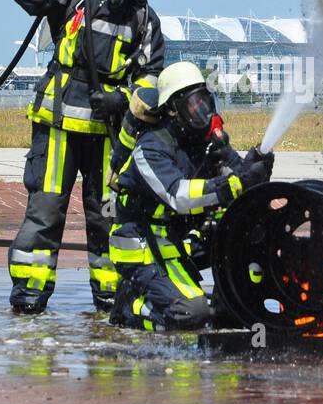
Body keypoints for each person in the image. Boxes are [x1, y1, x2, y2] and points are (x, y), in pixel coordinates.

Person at [7, 0, 165, 313]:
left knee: (106, 219)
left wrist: (120, 98)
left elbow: (151, 82)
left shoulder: (144, 18)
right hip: (57, 128)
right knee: (45, 213)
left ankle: (110, 299)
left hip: (107, 134)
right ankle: (29, 297)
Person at [108, 61, 273, 331]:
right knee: (191, 314)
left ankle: (228, 304)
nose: (202, 111)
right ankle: (129, 307)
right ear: (173, 109)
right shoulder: (151, 149)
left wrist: (255, 168)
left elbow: (238, 181)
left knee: (248, 228)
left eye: (205, 101)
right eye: (193, 105)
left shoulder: (206, 141)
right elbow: (179, 196)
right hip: (144, 244)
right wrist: (234, 184)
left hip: (179, 237)